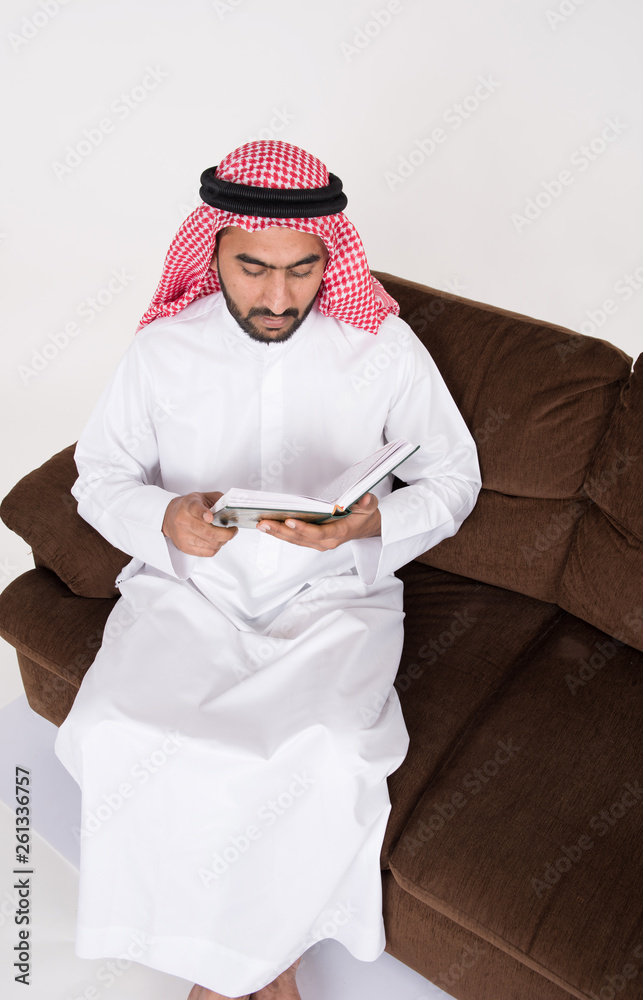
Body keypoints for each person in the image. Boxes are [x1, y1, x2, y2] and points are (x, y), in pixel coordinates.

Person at [54, 139, 482, 1000]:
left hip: (332, 601)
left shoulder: (383, 348)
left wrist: (370, 526)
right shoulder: (161, 351)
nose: (279, 296)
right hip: (189, 593)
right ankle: (247, 961)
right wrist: (165, 520)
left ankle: (248, 972)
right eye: (253, 268)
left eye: (303, 269)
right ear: (209, 250)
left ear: (333, 256)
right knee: (113, 734)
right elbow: (96, 478)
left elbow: (453, 477)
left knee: (322, 756)